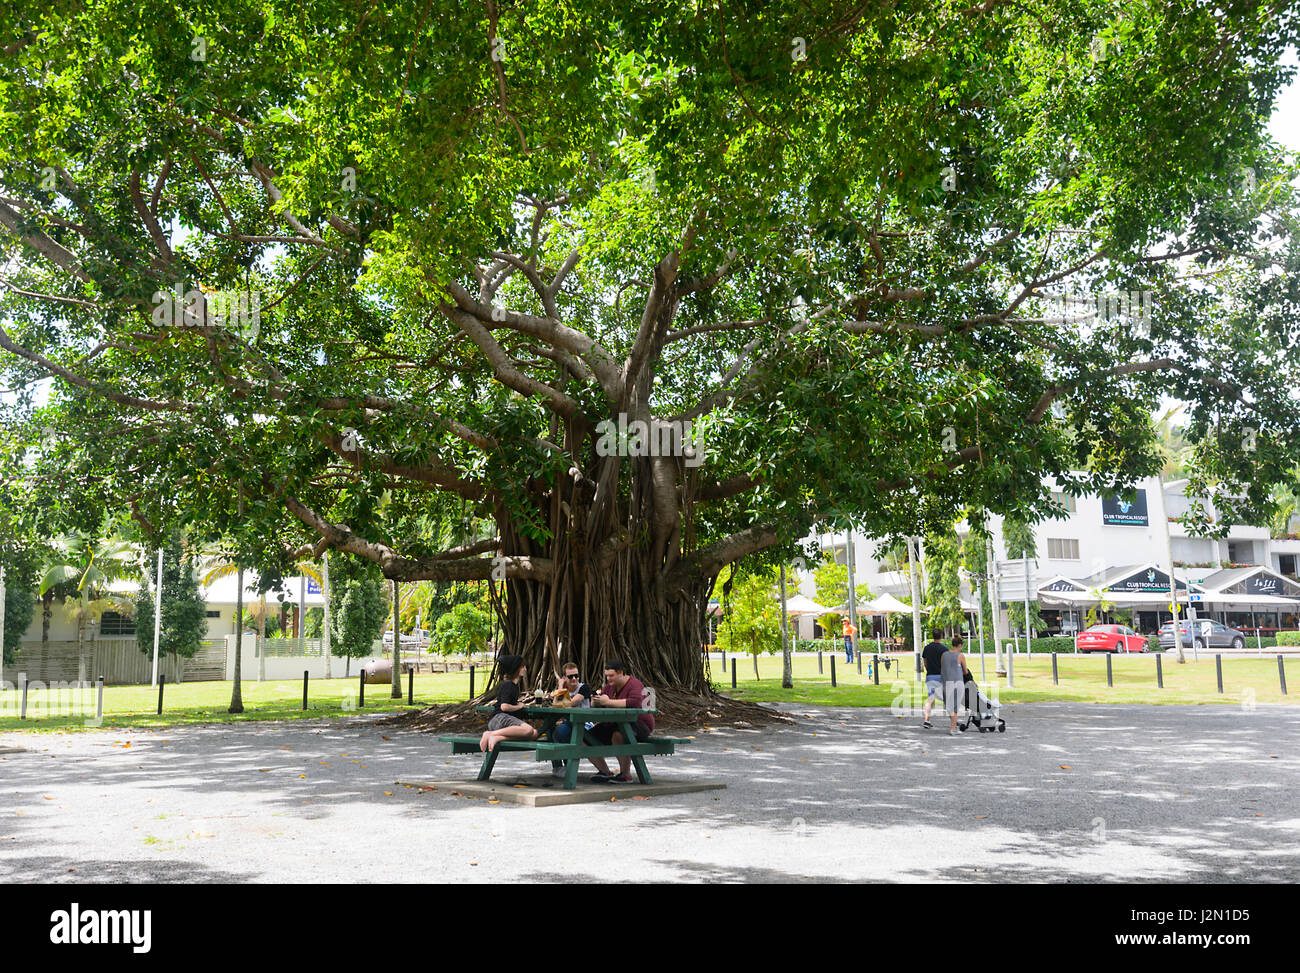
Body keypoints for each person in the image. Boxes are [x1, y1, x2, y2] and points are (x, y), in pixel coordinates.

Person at [585, 659, 654, 784]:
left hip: (639, 724)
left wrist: (608, 702)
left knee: (619, 735)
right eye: (607, 676)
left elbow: (635, 702)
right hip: (613, 723)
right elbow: (602, 701)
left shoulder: (635, 684)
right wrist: (595, 702)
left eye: (611, 676)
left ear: (621, 673)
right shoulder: (609, 687)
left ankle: (625, 775)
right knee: (584, 738)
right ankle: (605, 771)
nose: (608, 679)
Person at [479, 654, 539, 752]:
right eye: (522, 666)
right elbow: (504, 707)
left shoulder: (513, 686)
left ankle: (499, 737)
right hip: (499, 718)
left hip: (502, 721)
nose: (525, 669)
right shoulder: (508, 685)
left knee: (534, 734)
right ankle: (490, 734)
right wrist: (519, 706)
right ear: (516, 669)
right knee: (528, 730)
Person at [550, 661, 594, 778]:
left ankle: (567, 766)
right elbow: (556, 705)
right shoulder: (564, 690)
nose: (574, 678)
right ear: (564, 678)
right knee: (551, 732)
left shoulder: (584, 688)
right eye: (570, 676)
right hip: (569, 724)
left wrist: (560, 691)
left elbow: (570, 703)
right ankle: (558, 767)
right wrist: (560, 686)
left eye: (576, 675)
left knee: (560, 732)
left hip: (584, 725)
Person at [921, 630, 948, 728]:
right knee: (947, 698)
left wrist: (929, 670)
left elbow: (925, 661)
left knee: (930, 699)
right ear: (941, 636)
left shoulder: (927, 648)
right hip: (941, 676)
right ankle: (954, 720)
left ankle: (927, 720)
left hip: (930, 676)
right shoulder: (944, 648)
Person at [940, 636, 967, 736]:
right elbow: (965, 671)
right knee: (955, 707)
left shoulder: (944, 655)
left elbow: (943, 667)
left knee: (949, 707)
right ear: (960, 645)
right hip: (957, 683)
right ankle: (953, 729)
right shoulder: (961, 655)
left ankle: (954, 725)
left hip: (946, 683)